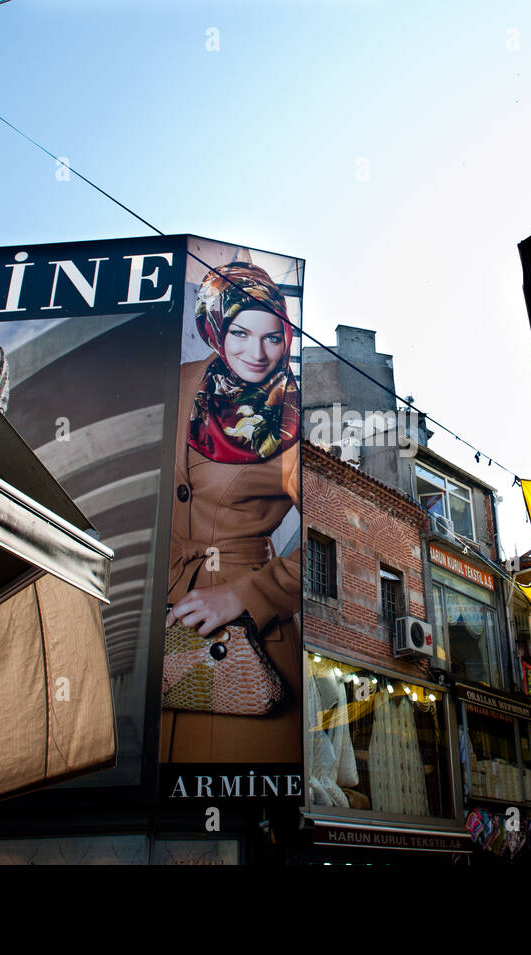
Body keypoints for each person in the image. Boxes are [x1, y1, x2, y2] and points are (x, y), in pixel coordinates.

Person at [160, 260, 302, 763]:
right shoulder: (180, 384)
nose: (256, 353)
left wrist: (248, 593)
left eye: (272, 337)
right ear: (216, 326)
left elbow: (340, 544)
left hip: (247, 644)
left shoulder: (296, 418)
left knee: (233, 825)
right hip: (159, 636)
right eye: (240, 332)